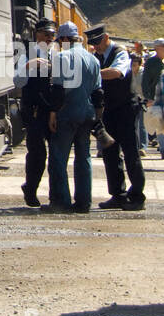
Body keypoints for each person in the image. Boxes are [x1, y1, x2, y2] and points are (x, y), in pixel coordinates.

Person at [46, 22, 103, 212]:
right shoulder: (93, 60)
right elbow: (98, 93)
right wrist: (97, 117)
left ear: (63, 39)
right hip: (87, 114)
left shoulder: (61, 57)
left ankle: (61, 201)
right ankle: (83, 202)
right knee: (83, 158)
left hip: (67, 113)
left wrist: (53, 113)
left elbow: (57, 90)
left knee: (58, 158)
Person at [88, 25, 146, 209]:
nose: (95, 47)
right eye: (93, 44)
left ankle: (137, 196)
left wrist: (90, 74)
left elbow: (117, 72)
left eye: (97, 42)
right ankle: (118, 194)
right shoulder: (97, 56)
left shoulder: (120, 53)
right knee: (110, 153)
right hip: (108, 110)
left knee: (131, 153)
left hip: (126, 110)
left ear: (106, 38)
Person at [16, 17, 57, 207]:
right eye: (45, 34)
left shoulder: (57, 54)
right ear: (36, 34)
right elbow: (16, 81)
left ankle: (56, 194)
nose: (49, 38)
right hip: (34, 112)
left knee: (57, 154)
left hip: (53, 111)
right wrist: (28, 66)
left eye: (51, 35)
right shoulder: (27, 53)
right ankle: (31, 189)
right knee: (38, 154)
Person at [142, 39, 164, 159]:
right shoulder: (151, 62)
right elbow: (145, 82)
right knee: (160, 124)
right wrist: (148, 98)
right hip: (156, 98)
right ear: (157, 48)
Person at [131, 54, 147, 151]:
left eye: (135, 65)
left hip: (143, 100)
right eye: (132, 64)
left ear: (139, 64)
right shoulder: (128, 72)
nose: (133, 67)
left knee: (142, 125)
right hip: (133, 100)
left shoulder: (144, 73)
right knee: (133, 124)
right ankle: (135, 145)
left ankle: (142, 147)